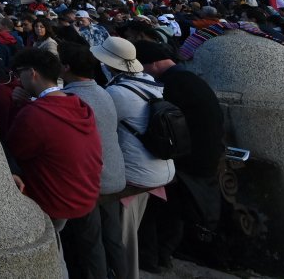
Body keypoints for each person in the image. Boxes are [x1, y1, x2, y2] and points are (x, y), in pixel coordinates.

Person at [5, 47, 103, 276]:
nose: (18, 80)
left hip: (53, 202)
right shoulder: (77, 104)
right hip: (87, 192)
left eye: (19, 74)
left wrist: (20, 108)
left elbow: (14, 150)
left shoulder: (35, 115)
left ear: (32, 73)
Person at [134, 41, 225, 273]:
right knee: (173, 212)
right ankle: (163, 256)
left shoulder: (171, 85)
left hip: (187, 161)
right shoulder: (188, 78)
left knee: (162, 211)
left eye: (141, 66)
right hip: (203, 156)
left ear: (153, 64)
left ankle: (154, 259)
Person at [92, 36, 175, 279]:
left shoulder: (117, 92)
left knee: (123, 235)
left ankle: (126, 273)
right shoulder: (149, 82)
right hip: (159, 166)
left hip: (135, 173)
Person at [60, 42, 127, 279]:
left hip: (91, 180)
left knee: (91, 243)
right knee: (113, 238)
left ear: (65, 67)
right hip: (114, 174)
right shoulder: (104, 92)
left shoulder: (71, 98)